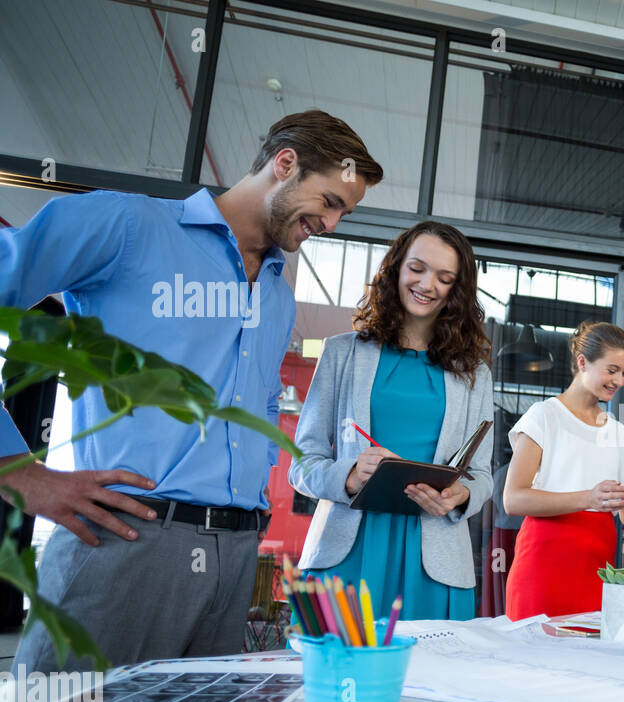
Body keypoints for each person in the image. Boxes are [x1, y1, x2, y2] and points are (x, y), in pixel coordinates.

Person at [0, 110, 381, 670]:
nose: (332, 223)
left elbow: (261, 408)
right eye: (329, 201)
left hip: (235, 562)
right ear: (285, 164)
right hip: (126, 542)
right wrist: (17, 472)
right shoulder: (125, 226)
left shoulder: (276, 297)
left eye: (343, 212)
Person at [289, 221, 493, 621]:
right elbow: (302, 461)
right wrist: (347, 475)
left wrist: (461, 496)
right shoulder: (340, 353)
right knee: (332, 677)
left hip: (434, 557)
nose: (427, 284)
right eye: (417, 268)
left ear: (457, 289)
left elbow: (482, 473)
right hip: (347, 550)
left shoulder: (475, 373)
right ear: (397, 267)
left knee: (432, 681)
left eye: (444, 277)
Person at [503, 321, 624, 619]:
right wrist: (588, 499)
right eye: (612, 369)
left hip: (598, 572)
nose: (618, 380)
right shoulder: (543, 417)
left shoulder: (618, 434)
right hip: (542, 566)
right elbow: (513, 500)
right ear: (582, 362)